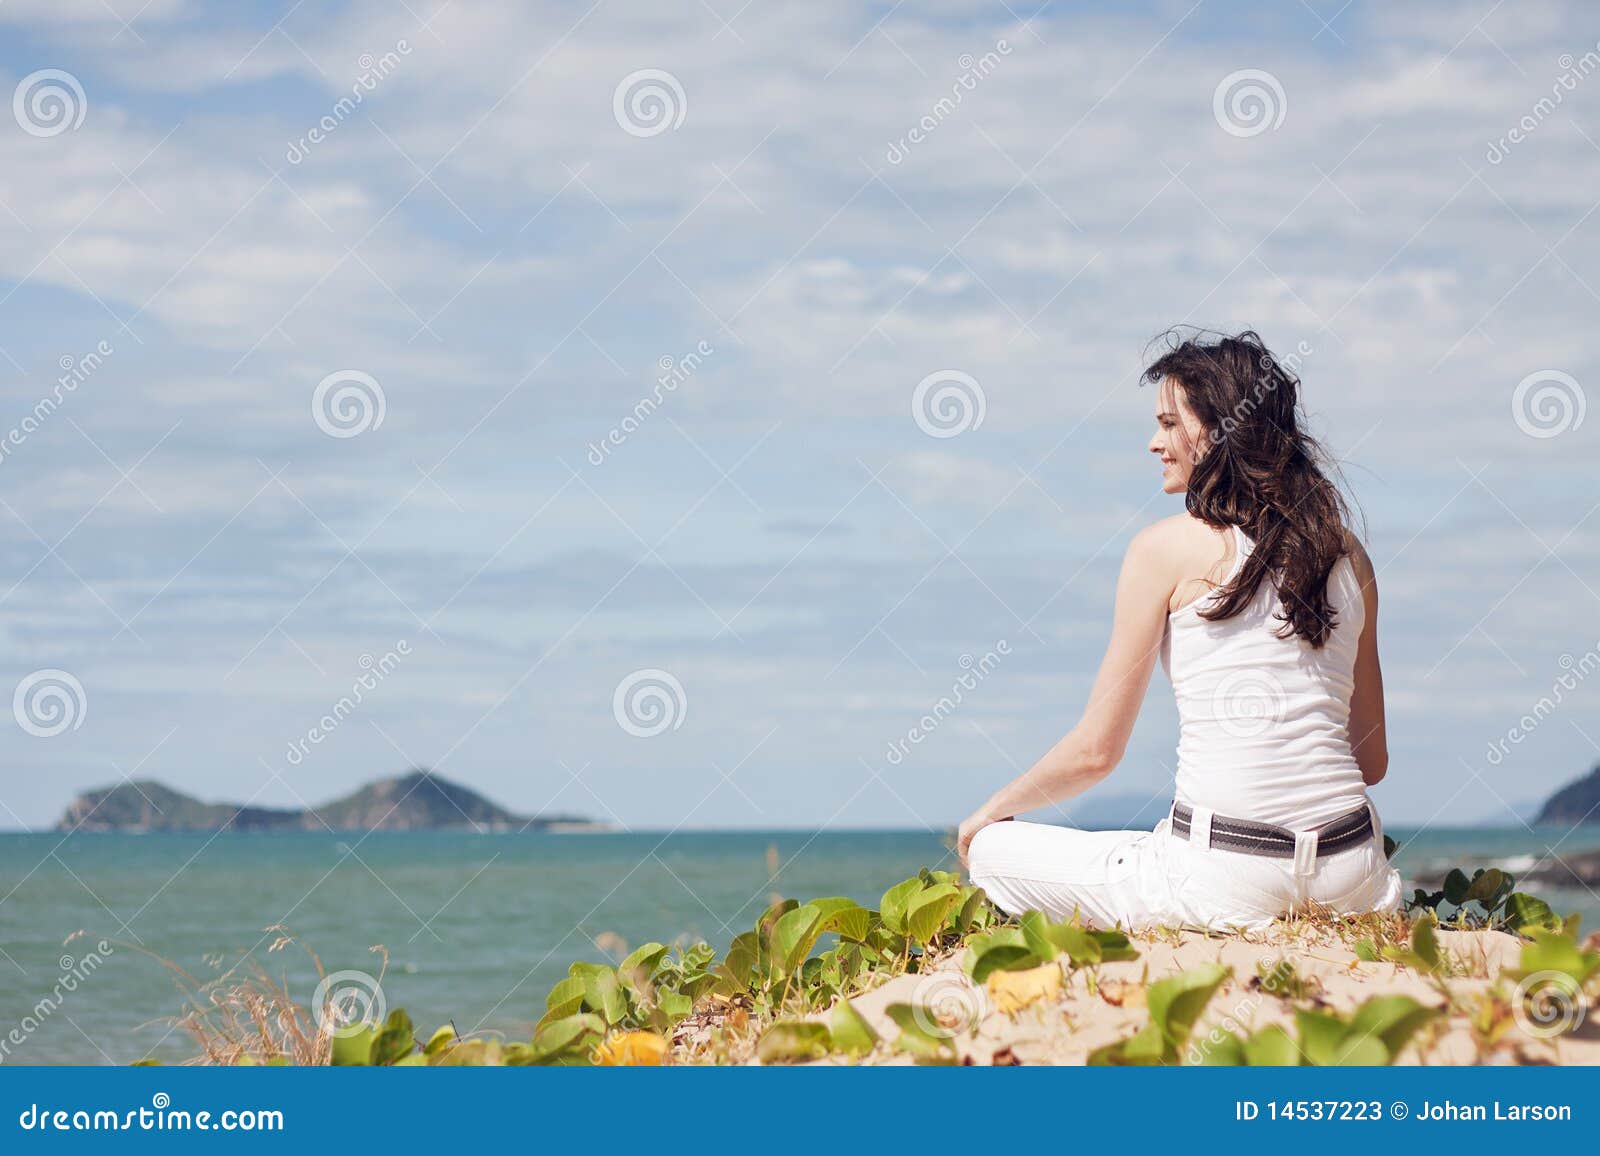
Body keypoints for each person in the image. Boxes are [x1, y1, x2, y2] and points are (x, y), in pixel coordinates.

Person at [960, 330, 1401, 931]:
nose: (1154, 443)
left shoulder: (1163, 549)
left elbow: (1096, 753)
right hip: (1354, 875)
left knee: (992, 850)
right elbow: (1369, 761)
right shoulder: (1349, 556)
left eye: (1169, 424)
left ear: (1218, 430)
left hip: (1225, 876)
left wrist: (990, 812)